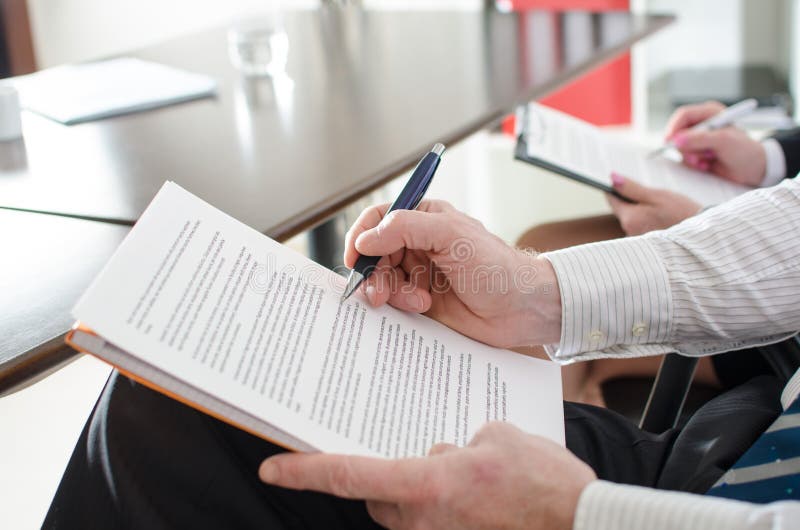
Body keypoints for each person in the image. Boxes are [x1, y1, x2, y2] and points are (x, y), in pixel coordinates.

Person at [46, 173, 800, 529]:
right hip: (729, 458)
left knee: (167, 424)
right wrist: (534, 293)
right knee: (176, 394)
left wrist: (574, 514)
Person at [517, 101, 800, 406]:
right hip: (769, 208)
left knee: (549, 300)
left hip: (779, 302)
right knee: (542, 251)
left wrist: (703, 224)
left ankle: (551, 428)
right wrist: (769, 158)